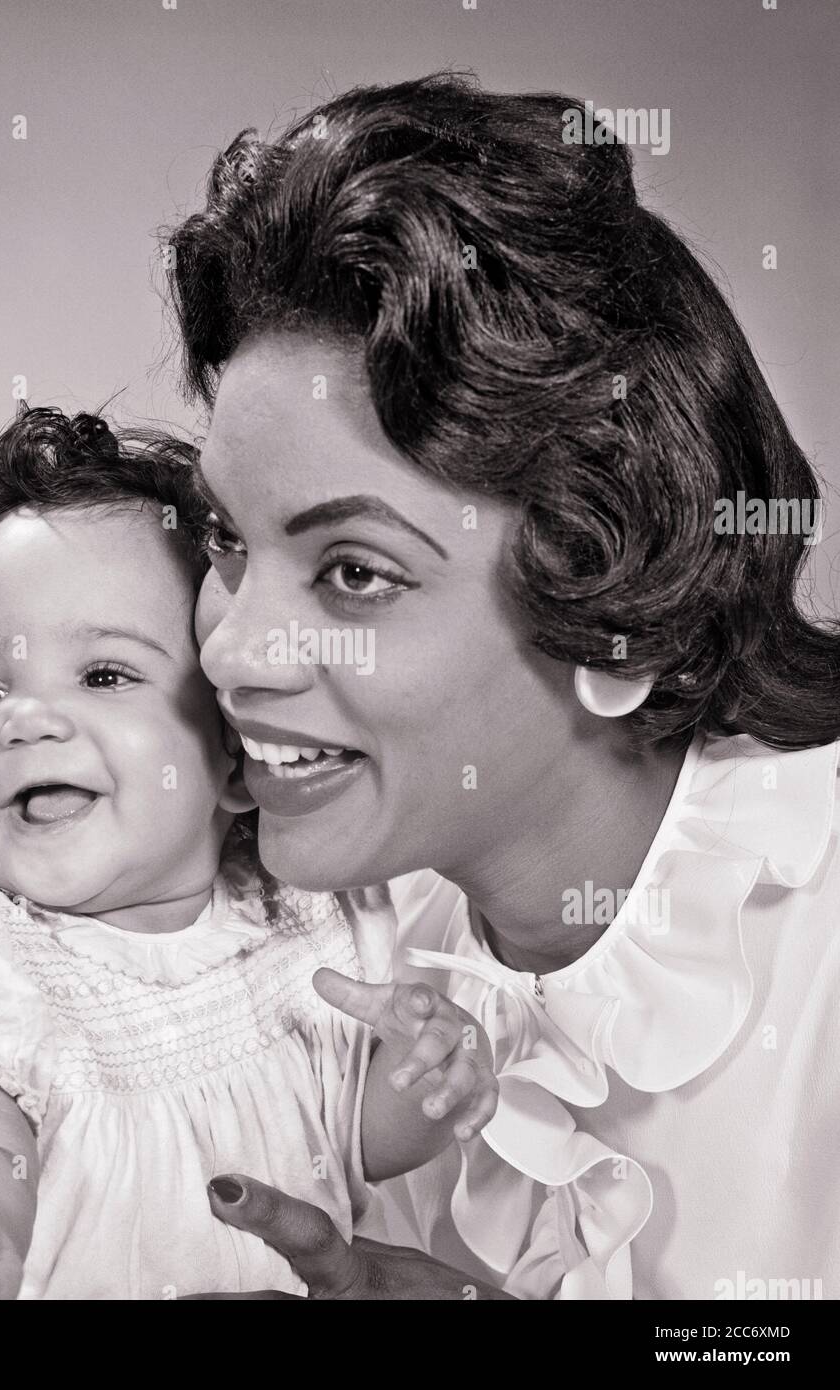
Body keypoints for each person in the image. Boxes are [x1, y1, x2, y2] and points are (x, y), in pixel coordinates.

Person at [161, 73, 839, 1298]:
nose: (229, 650)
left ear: (613, 601)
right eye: (224, 541)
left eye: (354, 571)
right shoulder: (316, 963)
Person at [0, 406, 497, 1300]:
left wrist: (430, 1081)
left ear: (234, 750)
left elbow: (352, 1141)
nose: (27, 720)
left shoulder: (301, 930)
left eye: (103, 676)